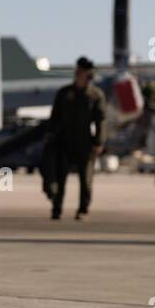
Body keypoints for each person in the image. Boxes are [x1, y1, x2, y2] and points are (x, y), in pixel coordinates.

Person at [43, 56, 106, 220]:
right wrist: (50, 136)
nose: (80, 74)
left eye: (84, 71)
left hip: (85, 142)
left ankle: (82, 210)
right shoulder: (64, 93)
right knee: (60, 177)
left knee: (86, 179)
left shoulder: (95, 95)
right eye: (79, 71)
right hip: (64, 140)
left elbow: (101, 120)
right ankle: (56, 209)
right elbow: (54, 117)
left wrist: (99, 141)